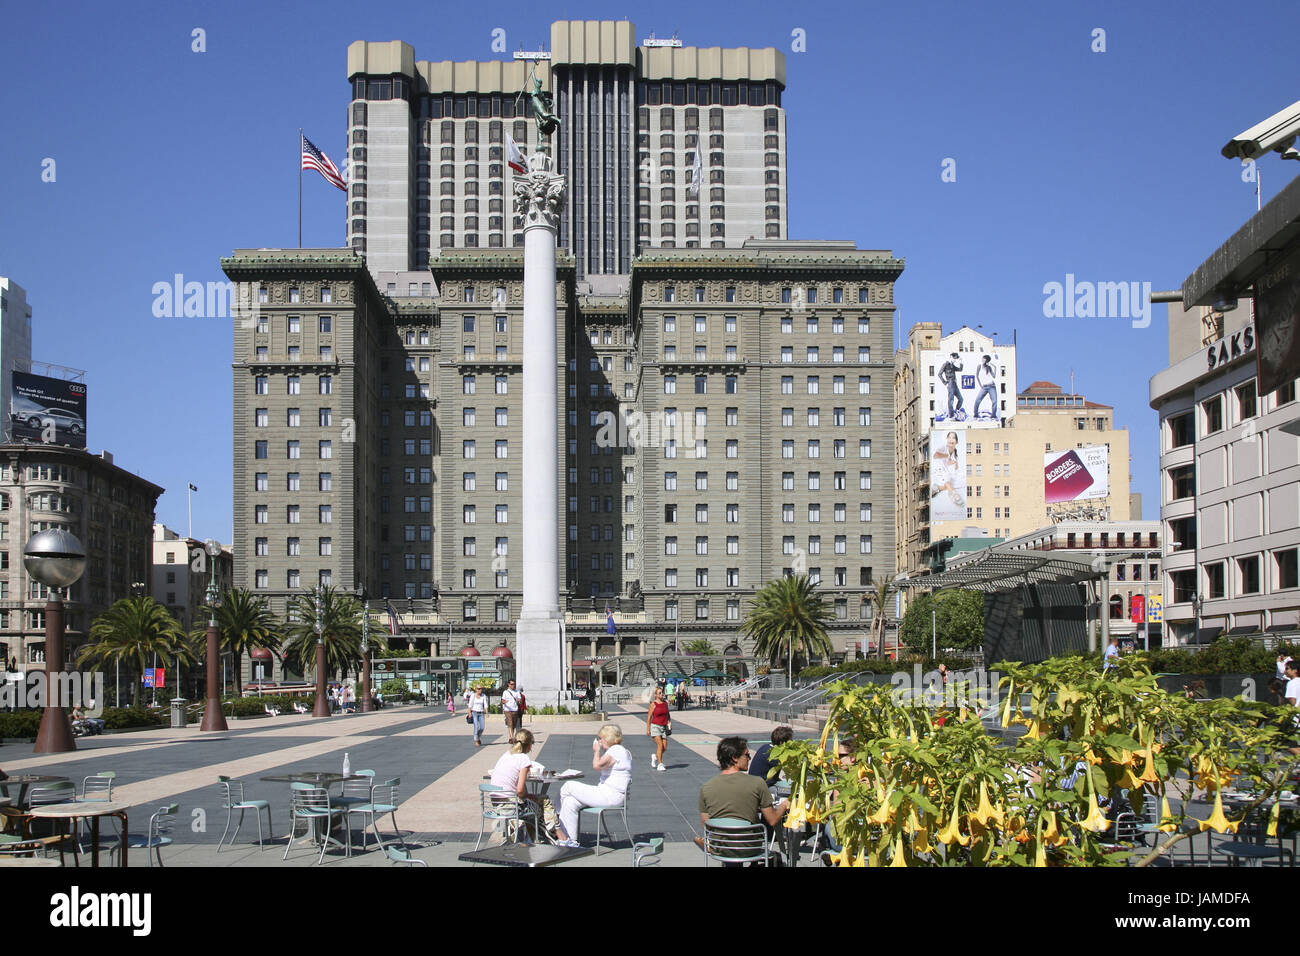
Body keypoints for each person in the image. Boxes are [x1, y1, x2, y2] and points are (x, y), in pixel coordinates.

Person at [697, 737, 790, 862]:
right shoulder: (757, 783)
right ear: (735, 758)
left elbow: (705, 825)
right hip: (749, 846)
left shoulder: (706, 787)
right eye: (747, 755)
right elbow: (772, 820)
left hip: (719, 847)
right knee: (775, 858)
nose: (749, 759)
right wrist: (783, 806)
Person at [555, 724, 632, 848]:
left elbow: (597, 766)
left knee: (568, 785)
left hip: (610, 795)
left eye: (601, 738)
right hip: (609, 793)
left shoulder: (616, 750)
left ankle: (556, 819)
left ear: (608, 739)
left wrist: (596, 751)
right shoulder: (620, 751)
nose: (600, 741)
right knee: (570, 802)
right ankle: (570, 840)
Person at [488, 730, 555, 843]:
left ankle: (531, 838)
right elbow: (520, 791)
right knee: (544, 801)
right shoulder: (523, 759)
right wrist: (528, 795)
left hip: (496, 803)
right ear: (529, 745)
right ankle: (553, 835)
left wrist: (527, 795)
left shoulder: (506, 755)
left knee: (533, 804)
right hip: (510, 806)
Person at [930, 431, 965, 509]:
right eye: (949, 437)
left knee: (954, 482)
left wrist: (954, 463)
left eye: (953, 438)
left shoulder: (954, 451)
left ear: (956, 441)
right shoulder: (943, 447)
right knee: (947, 482)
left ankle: (937, 488)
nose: (951, 440)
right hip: (937, 468)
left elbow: (949, 463)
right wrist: (947, 456)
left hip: (944, 469)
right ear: (946, 439)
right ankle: (955, 496)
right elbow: (935, 456)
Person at [646, 686, 671, 772]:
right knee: (660, 745)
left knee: (664, 747)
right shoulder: (653, 705)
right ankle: (660, 764)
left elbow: (667, 714)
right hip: (655, 726)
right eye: (659, 693)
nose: (662, 694)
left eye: (662, 692)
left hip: (663, 727)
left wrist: (669, 722)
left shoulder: (665, 703)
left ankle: (655, 757)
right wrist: (648, 729)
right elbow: (649, 717)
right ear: (655, 695)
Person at [938, 352, 964, 420]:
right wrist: (945, 383)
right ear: (950, 357)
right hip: (950, 383)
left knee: (961, 399)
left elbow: (960, 369)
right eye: (954, 358)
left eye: (956, 359)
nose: (955, 360)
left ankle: (956, 411)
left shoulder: (952, 365)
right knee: (951, 400)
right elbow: (939, 374)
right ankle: (951, 416)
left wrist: (961, 362)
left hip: (955, 384)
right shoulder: (946, 364)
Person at [973, 354, 998, 420]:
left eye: (984, 359)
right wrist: (980, 385)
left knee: (994, 401)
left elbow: (994, 376)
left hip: (992, 386)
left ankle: (993, 416)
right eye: (982, 358)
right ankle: (975, 415)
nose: (982, 360)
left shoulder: (989, 367)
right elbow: (977, 376)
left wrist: (995, 368)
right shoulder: (979, 366)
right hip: (984, 386)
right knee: (977, 400)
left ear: (986, 360)